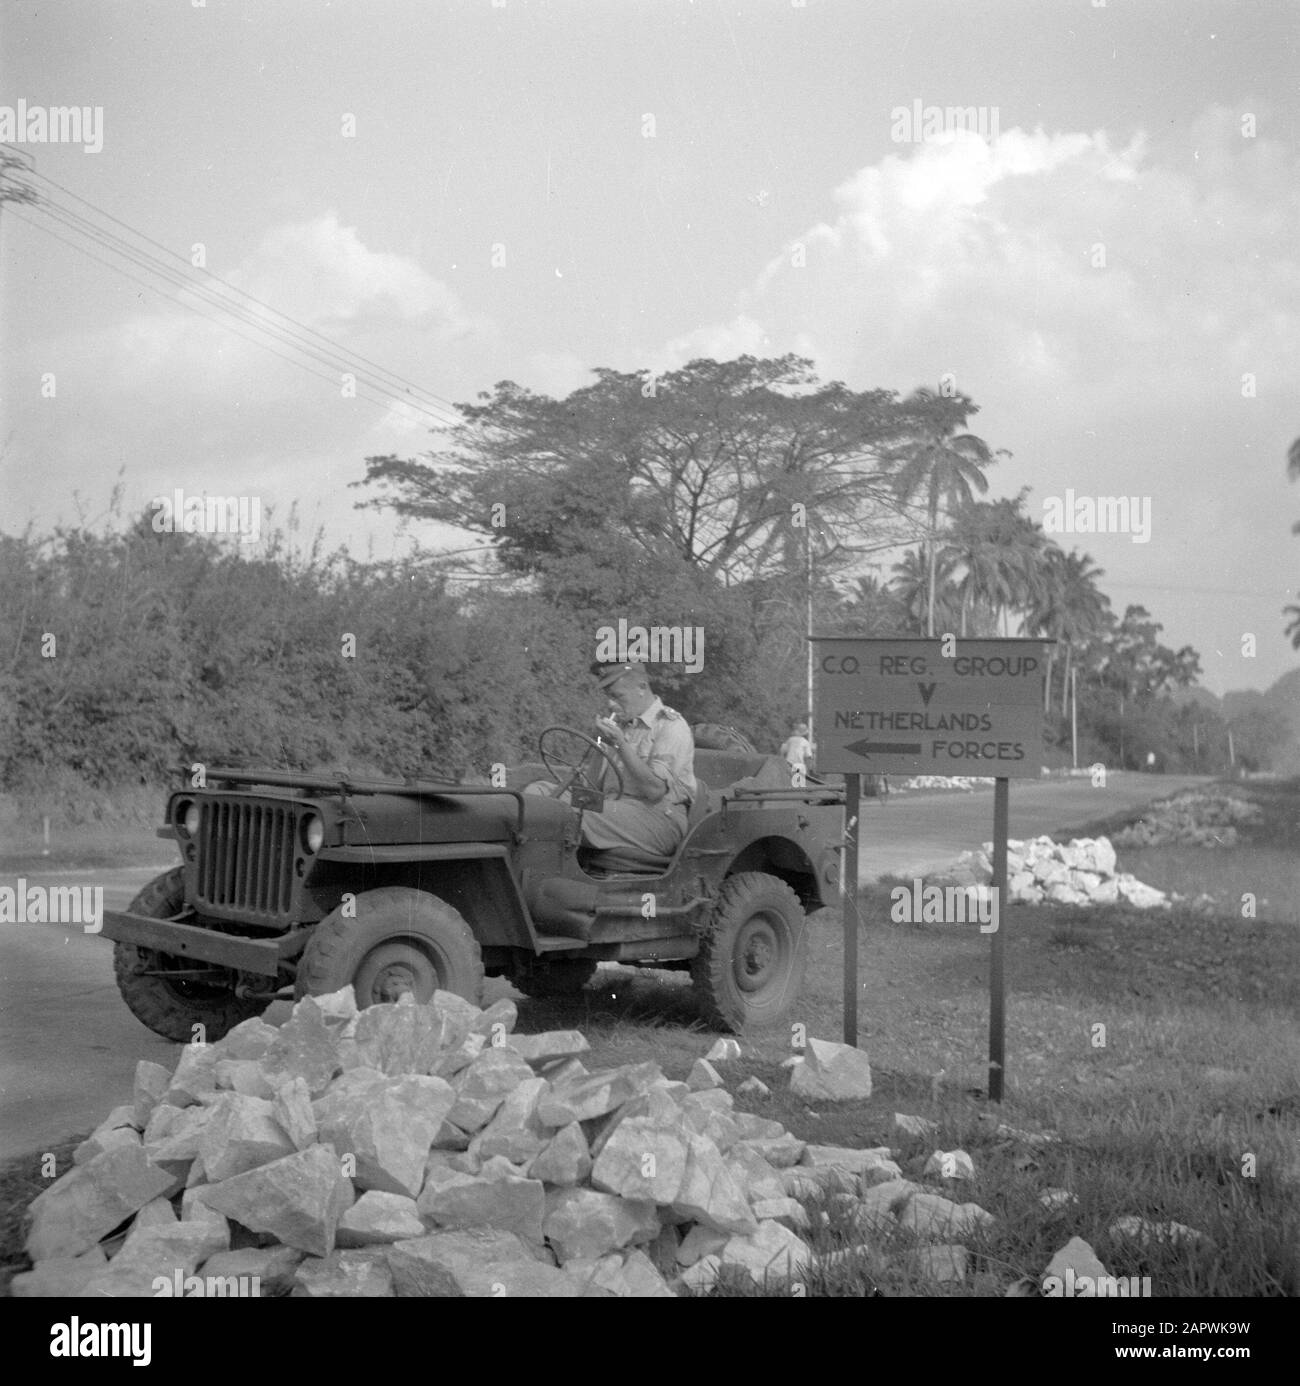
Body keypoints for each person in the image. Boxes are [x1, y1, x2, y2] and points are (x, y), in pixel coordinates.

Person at [530, 661, 697, 859]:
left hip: (658, 817)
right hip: (615, 808)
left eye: (617, 696)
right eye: (608, 696)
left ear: (642, 688)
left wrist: (620, 744)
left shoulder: (671, 726)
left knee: (569, 814)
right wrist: (600, 744)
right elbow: (591, 787)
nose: (610, 704)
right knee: (536, 794)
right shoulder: (619, 726)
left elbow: (655, 791)